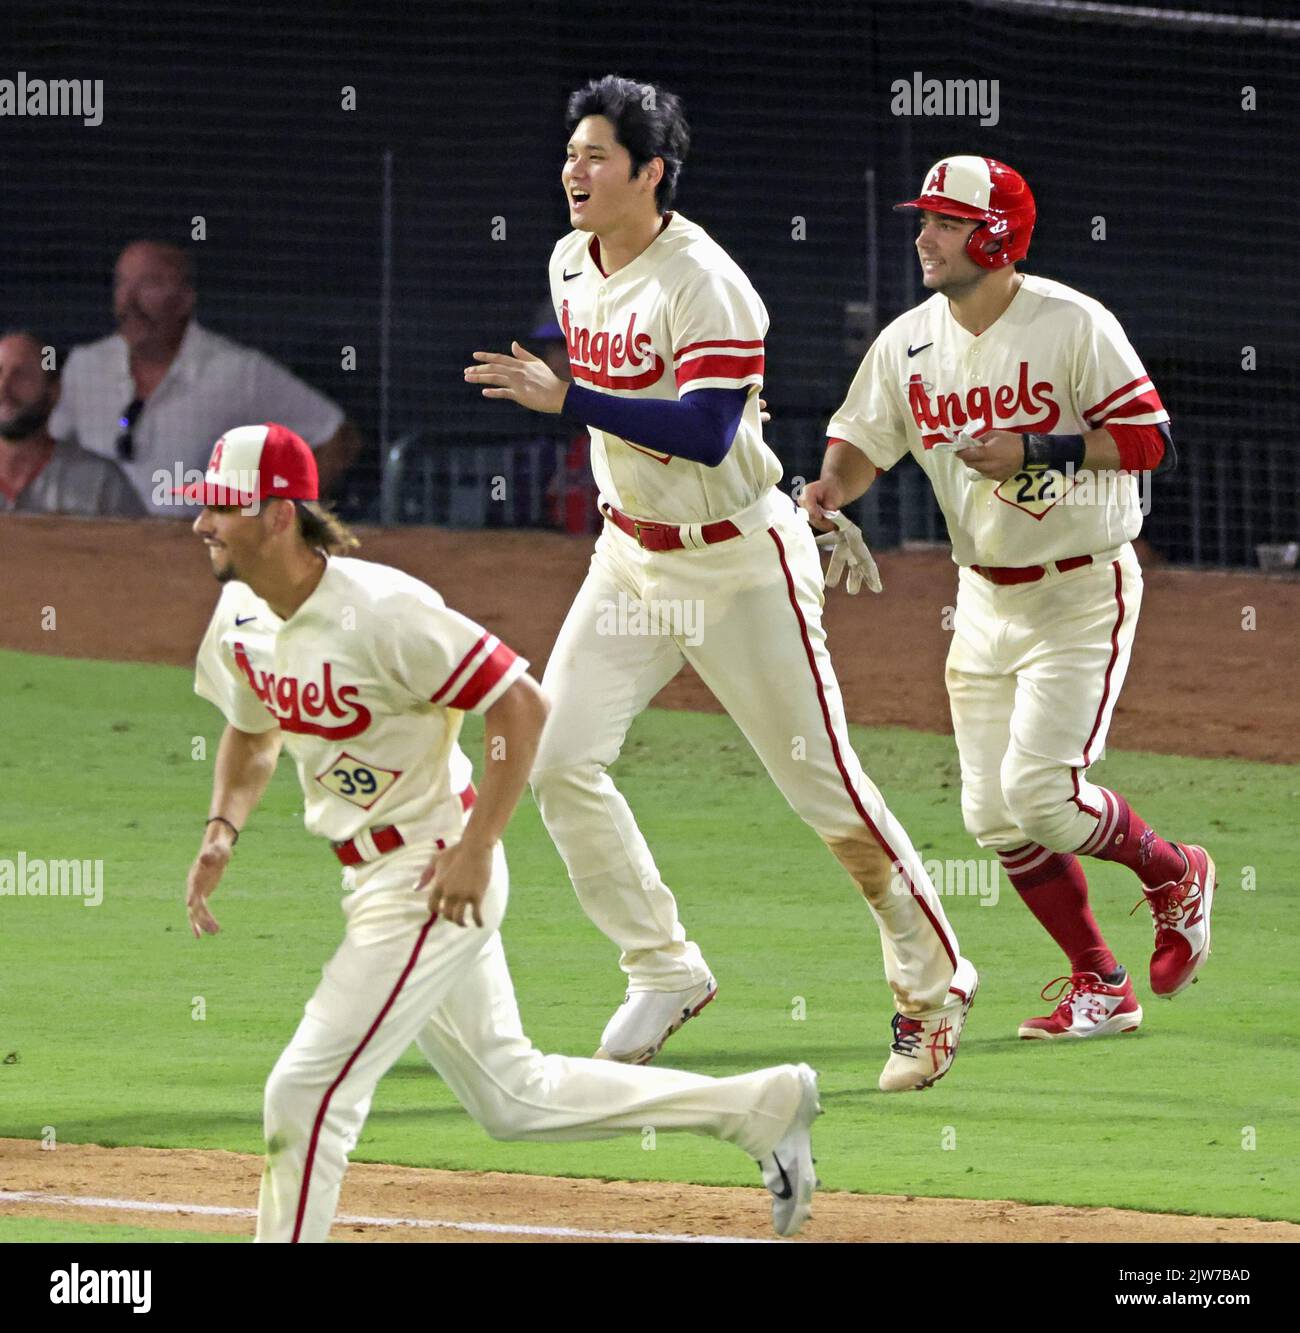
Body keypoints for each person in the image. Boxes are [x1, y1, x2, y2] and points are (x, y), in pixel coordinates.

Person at [181, 421, 820, 1243]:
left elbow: (520, 703)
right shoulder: (242, 615)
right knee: (515, 1097)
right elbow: (249, 726)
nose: (201, 522)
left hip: (430, 875)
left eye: (221, 507)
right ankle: (760, 1107)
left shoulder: (383, 612)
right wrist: (222, 828)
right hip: (375, 876)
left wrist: (477, 848)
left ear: (278, 517)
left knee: (304, 1095)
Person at [464, 74, 976, 1092]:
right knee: (554, 755)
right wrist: (592, 400)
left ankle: (935, 985)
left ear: (650, 172)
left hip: (739, 563)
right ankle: (663, 968)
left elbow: (703, 432)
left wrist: (569, 397)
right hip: (630, 556)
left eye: (597, 155)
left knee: (822, 787)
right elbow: (657, 409)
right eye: (571, 153)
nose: (574, 170)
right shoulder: (572, 261)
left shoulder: (705, 282)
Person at [802, 156, 1213, 1040]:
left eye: (945, 222)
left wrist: (1039, 449)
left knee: (1040, 795)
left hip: (1080, 590)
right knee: (989, 813)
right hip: (982, 600)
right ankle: (1101, 982)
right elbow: (863, 438)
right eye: (926, 220)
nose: (924, 236)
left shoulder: (1072, 323)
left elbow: (1151, 441)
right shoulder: (910, 341)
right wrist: (829, 492)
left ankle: (1174, 869)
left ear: (994, 235)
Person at [51, 240, 361, 516]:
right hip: (97, 558)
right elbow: (44, 450)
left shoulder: (237, 372)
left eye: (149, 284)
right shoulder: (85, 366)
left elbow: (339, 438)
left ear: (186, 299)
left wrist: (275, 522)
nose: (129, 301)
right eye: (121, 283)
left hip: (196, 562)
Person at [0, 330, 143, 517]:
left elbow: (144, 544)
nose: (4, 387)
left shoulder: (100, 481)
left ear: (53, 391)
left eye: (22, 374)